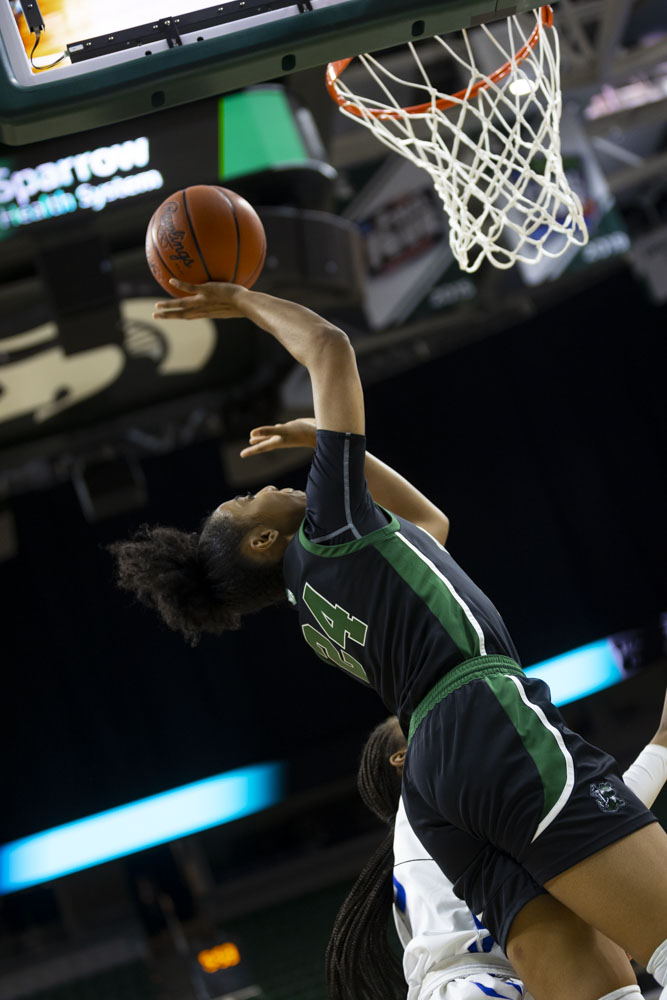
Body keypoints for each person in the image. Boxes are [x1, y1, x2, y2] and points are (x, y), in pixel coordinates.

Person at [110, 278, 667, 1000]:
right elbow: (329, 348)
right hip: (485, 718)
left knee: (604, 993)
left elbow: (429, 529)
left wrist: (330, 442)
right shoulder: (329, 531)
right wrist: (243, 301)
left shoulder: (315, 610)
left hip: (437, 782)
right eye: (247, 501)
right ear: (264, 539)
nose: (264, 487)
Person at [326, 688, 667, 1000]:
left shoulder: (423, 829)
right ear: (402, 759)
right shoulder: (444, 792)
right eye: (408, 720)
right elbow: (584, 827)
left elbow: (582, 827)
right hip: (486, 983)